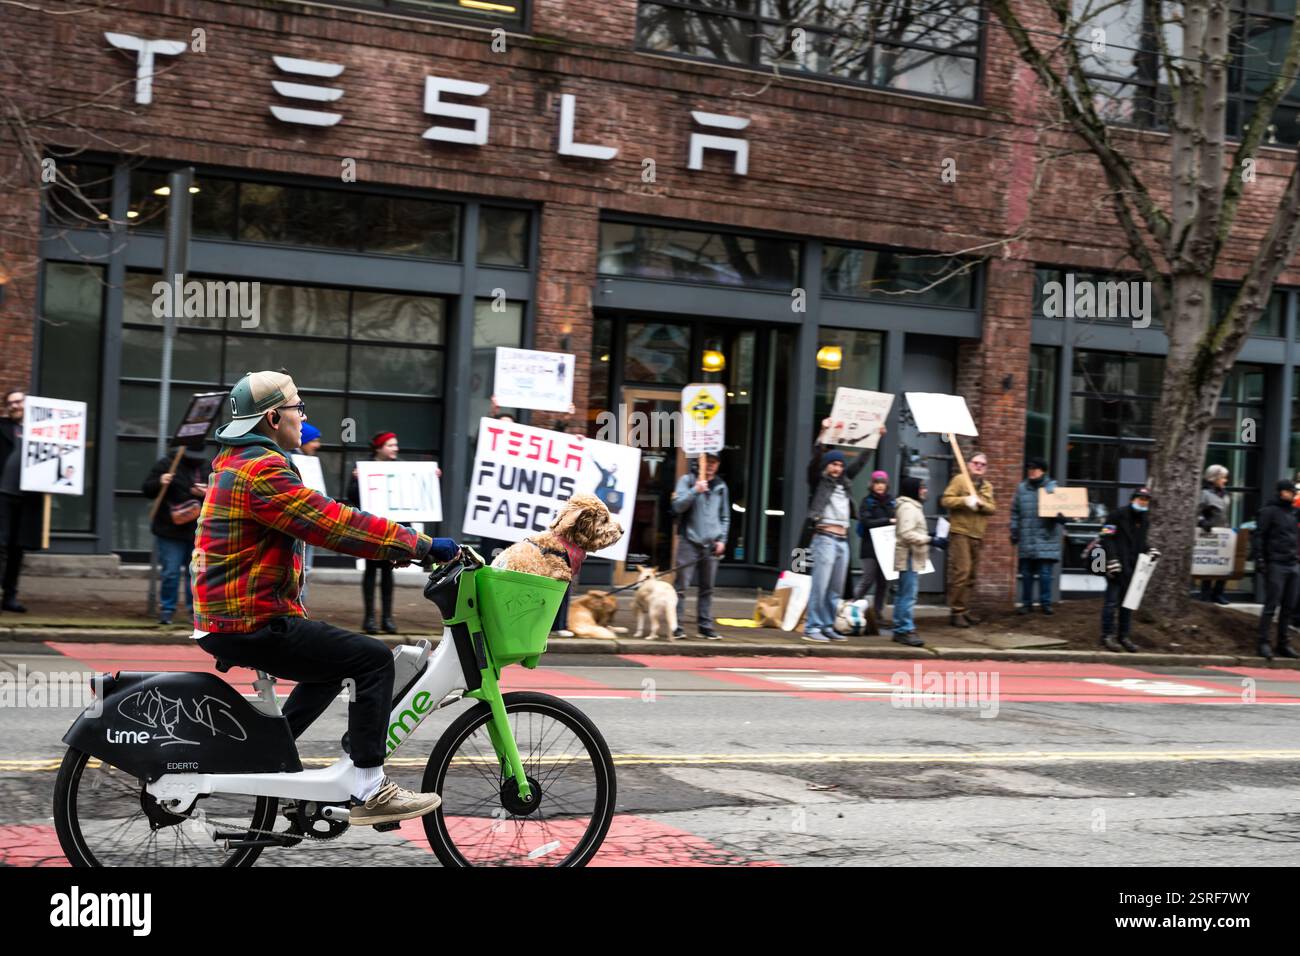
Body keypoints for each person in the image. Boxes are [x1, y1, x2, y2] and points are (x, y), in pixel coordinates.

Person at [191, 370, 459, 824]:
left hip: (233, 617)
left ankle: (268, 754)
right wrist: (420, 546)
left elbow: (328, 519)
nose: (303, 417)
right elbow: (333, 523)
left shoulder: (239, 463)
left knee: (330, 667)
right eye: (298, 408)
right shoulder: (262, 470)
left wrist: (394, 549)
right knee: (372, 661)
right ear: (274, 417)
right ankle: (370, 788)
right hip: (251, 619)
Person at [803, 422, 886, 643]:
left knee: (835, 588)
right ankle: (812, 627)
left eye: (840, 465)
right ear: (827, 466)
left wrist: (875, 437)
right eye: (834, 464)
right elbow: (813, 462)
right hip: (824, 538)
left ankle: (828, 626)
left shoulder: (845, 482)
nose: (837, 468)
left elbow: (860, 462)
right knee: (820, 586)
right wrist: (822, 433)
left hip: (842, 539)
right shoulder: (819, 481)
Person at [141, 444, 211, 625]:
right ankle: (167, 609)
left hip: (198, 532)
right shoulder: (167, 465)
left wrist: (206, 492)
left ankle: (194, 610)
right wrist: (160, 482)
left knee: (196, 572)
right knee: (171, 572)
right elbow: (147, 489)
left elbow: (220, 494)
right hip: (169, 529)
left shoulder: (206, 467)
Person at [346, 431, 405, 635]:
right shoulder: (363, 468)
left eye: (395, 445)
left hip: (391, 527)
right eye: (390, 445)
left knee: (388, 571)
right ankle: (369, 618)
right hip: (372, 527)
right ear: (379, 448)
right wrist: (357, 481)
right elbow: (351, 496)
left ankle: (387, 618)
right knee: (371, 570)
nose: (395, 449)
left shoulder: (402, 468)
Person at [670, 452, 729, 640]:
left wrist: (723, 540)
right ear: (700, 462)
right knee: (681, 586)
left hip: (711, 545)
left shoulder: (720, 486)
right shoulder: (687, 480)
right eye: (708, 461)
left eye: (714, 462)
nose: (711, 465)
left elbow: (725, 516)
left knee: (707, 588)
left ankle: (705, 626)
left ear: (718, 465)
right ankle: (676, 626)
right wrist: (695, 490)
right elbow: (677, 506)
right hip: (689, 541)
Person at [1098, 486, 1159, 653]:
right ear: (1133, 499)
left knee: (1128, 604)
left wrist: (1150, 549)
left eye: (1146, 500)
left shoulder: (1145, 520)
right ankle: (1106, 636)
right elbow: (1106, 537)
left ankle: (1123, 636)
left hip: (1132, 568)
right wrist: (1111, 560)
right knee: (1111, 602)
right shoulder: (1116, 515)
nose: (1143, 502)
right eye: (1140, 499)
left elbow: (1139, 543)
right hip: (1115, 566)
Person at [940, 450, 996, 627]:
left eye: (982, 464)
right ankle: (956, 611)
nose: (978, 466)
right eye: (975, 463)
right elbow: (946, 500)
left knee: (971, 576)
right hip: (961, 532)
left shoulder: (987, 486)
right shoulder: (960, 480)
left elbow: (992, 508)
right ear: (969, 464)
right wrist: (965, 500)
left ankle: (964, 610)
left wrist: (981, 504)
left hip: (977, 534)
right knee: (962, 572)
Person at [1009, 456, 1068, 615]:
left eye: (1035, 469)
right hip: (1027, 537)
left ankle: (1046, 604)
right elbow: (1015, 512)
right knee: (1027, 573)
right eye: (1029, 469)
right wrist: (1014, 530)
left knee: (1045, 573)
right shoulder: (1021, 489)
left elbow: (1064, 510)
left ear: (1043, 471)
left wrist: (1061, 518)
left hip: (1046, 537)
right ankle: (1026, 603)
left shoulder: (1053, 488)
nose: (1031, 472)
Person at [0, 389, 41, 614]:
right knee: (1, 545)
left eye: (19, 401)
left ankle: (10, 596)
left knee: (17, 549)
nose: (15, 406)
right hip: (2, 495)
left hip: (27, 498)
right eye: (11, 402)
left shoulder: (43, 430)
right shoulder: (3, 427)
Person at [892, 476, 945, 646]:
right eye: (921, 487)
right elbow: (906, 534)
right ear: (913, 489)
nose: (925, 490)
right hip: (909, 556)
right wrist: (930, 539)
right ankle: (905, 629)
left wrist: (929, 537)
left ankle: (900, 628)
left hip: (911, 556)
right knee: (908, 595)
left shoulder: (911, 506)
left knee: (903, 594)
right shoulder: (908, 507)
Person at [1253, 478, 1300, 660]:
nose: (1294, 494)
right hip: (1276, 564)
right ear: (1282, 492)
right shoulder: (1269, 511)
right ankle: (1263, 642)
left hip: (1292, 564)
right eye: (1291, 491)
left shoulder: (1294, 513)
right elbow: (1259, 536)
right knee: (1271, 605)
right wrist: (1259, 559)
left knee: (1288, 606)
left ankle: (1283, 643)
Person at [853, 470, 895, 623]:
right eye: (877, 483)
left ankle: (878, 613)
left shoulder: (892, 502)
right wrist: (888, 521)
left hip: (886, 547)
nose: (880, 486)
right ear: (872, 484)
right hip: (869, 546)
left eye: (882, 483)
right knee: (868, 578)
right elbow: (867, 523)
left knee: (883, 582)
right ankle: (854, 607)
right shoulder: (867, 502)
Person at [295, 422, 322, 602]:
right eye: (314, 440)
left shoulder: (308, 462)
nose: (317, 445)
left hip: (307, 522)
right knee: (301, 568)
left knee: (303, 568)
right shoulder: (293, 461)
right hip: (300, 523)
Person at [1198, 464, 1232, 605]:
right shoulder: (1205, 494)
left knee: (1223, 563)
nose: (1225, 480)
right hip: (1209, 533)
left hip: (1224, 532)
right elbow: (1197, 512)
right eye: (1223, 477)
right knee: (1209, 562)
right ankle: (1205, 594)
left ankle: (1218, 593)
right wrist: (1203, 522)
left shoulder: (1224, 494)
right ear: (1214, 478)